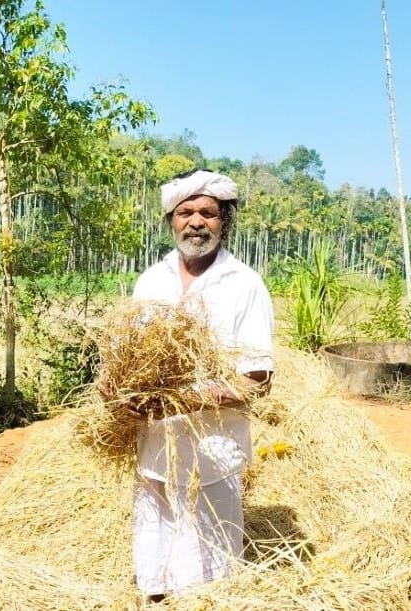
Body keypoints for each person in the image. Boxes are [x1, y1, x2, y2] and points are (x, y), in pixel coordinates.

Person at [126, 168, 275, 599]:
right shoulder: (151, 281)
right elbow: (128, 358)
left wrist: (179, 402)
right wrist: (114, 391)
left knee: (207, 579)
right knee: (155, 567)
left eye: (207, 213)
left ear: (223, 221)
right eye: (185, 212)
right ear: (171, 219)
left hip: (212, 452)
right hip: (154, 449)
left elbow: (257, 380)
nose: (195, 222)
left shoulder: (244, 285)